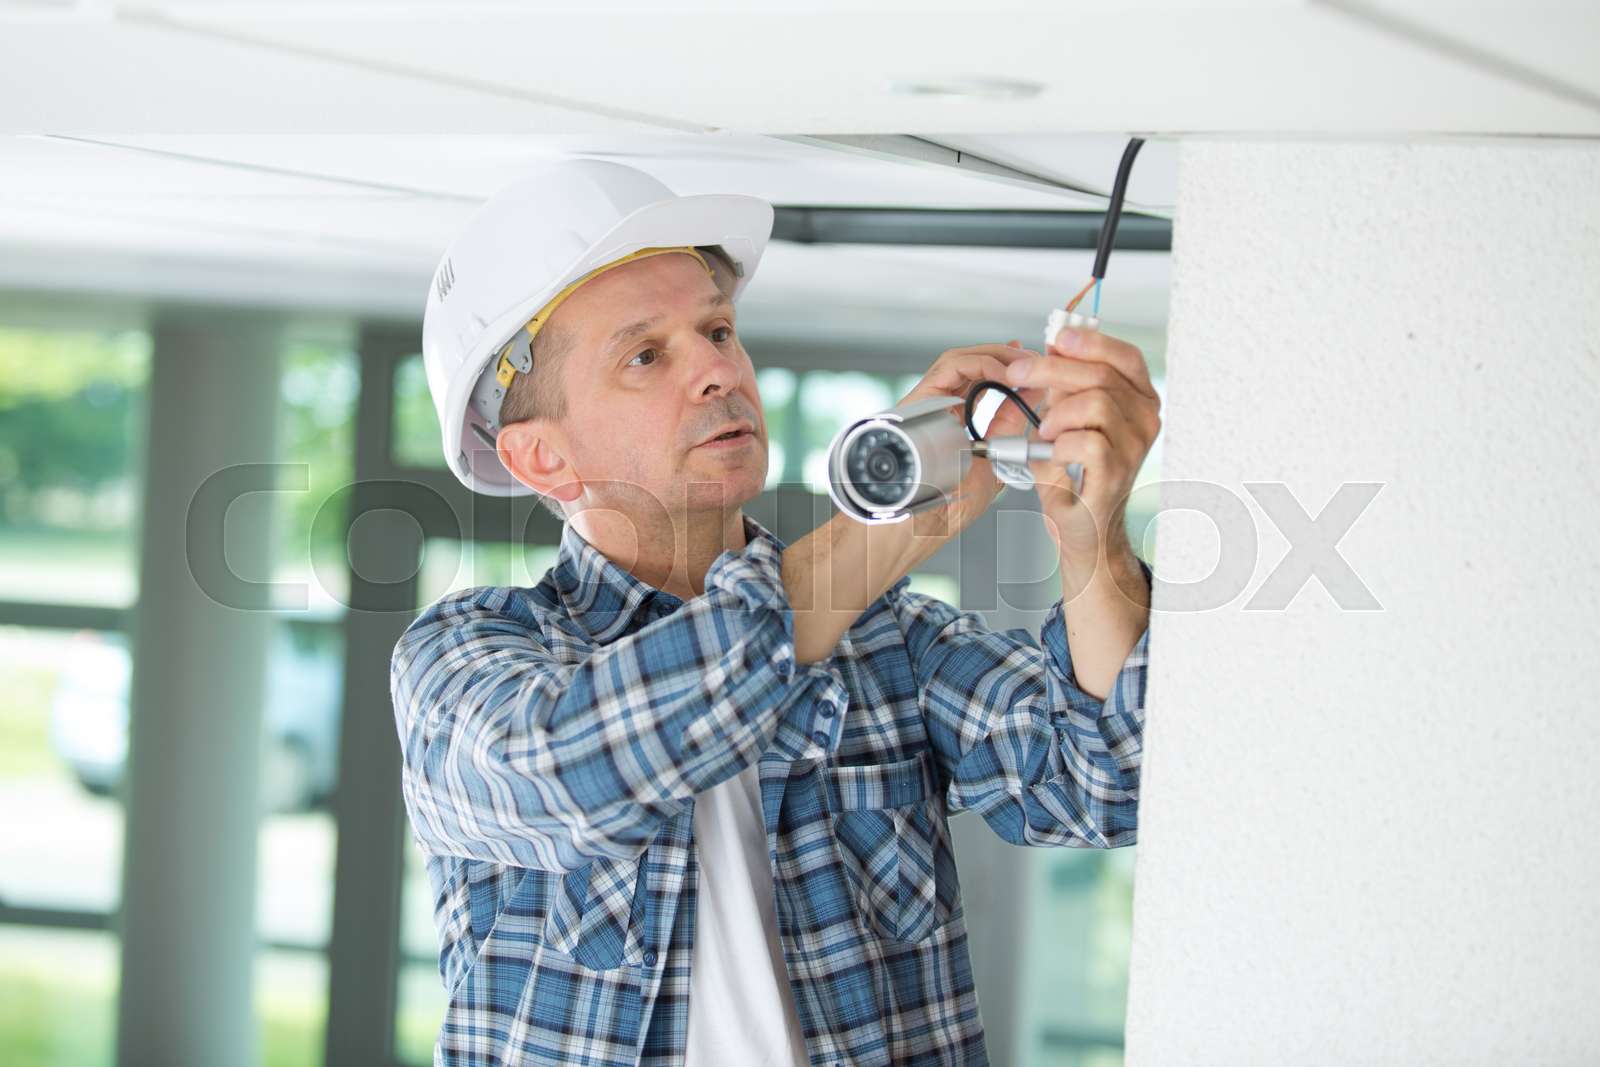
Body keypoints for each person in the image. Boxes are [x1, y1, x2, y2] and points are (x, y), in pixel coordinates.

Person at [391, 159, 1159, 1067]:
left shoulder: (891, 645)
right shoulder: (467, 660)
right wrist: (890, 519)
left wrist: (1092, 535)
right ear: (541, 458)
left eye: (717, 329)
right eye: (647, 354)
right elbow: (571, 766)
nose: (718, 368)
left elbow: (1111, 778)